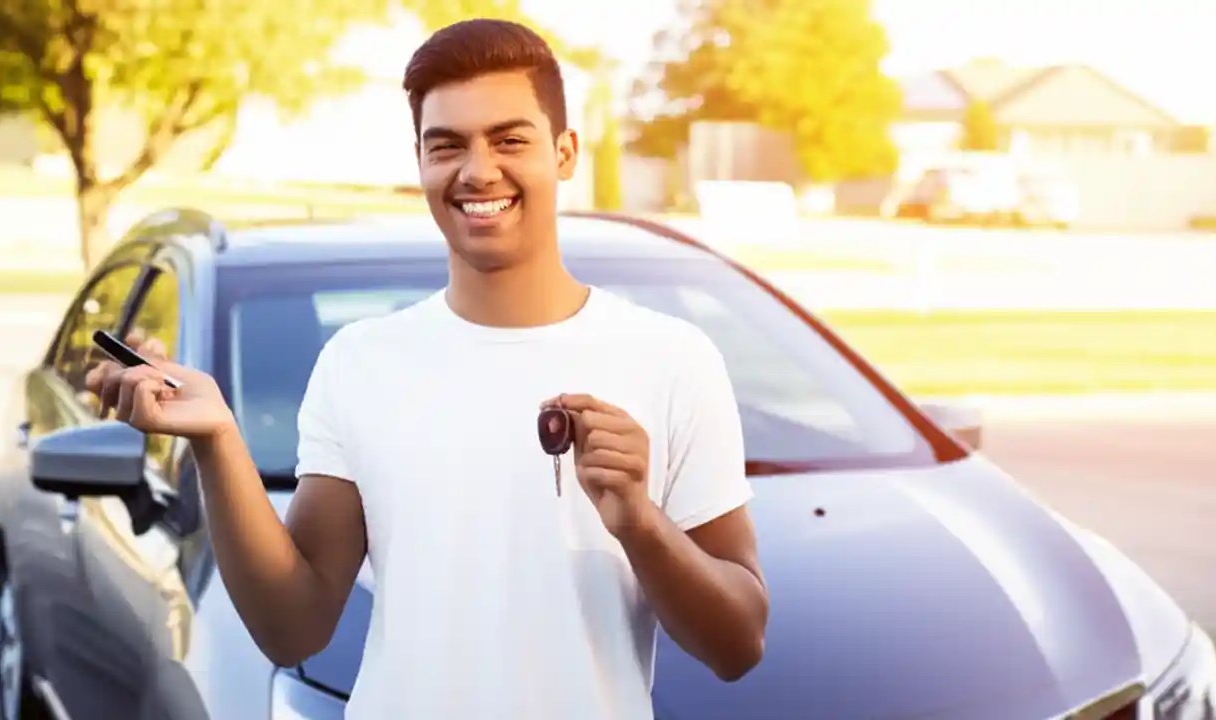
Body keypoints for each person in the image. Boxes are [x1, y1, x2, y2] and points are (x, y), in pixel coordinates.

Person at [87, 17, 768, 720]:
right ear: (419, 162)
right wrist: (217, 439)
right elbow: (293, 626)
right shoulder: (359, 363)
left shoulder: (673, 358)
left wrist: (640, 522)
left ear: (564, 153)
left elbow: (738, 643)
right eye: (447, 146)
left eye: (509, 139)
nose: (478, 171)